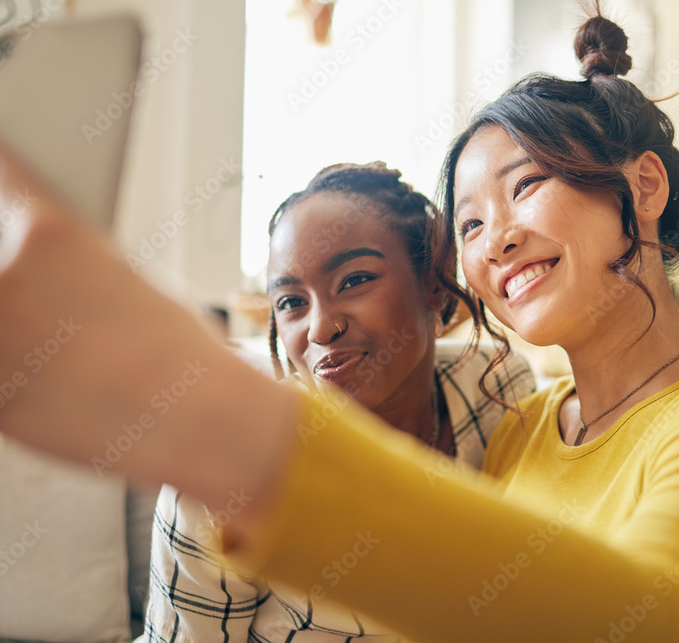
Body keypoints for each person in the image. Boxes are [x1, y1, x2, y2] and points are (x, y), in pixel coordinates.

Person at [0, 12, 679, 642]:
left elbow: (666, 626)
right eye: (467, 222)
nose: (494, 235)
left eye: (526, 184)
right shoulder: (529, 424)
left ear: (642, 189)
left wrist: (219, 426)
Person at [142, 162, 534, 641]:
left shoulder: (496, 385)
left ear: (434, 280)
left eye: (354, 280)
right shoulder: (221, 480)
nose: (321, 328)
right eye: (290, 302)